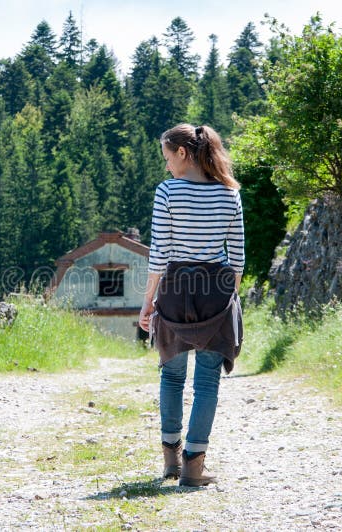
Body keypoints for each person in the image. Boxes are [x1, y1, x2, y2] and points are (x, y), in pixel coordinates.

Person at [138, 123, 244, 487]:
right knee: (207, 381)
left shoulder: (168, 191)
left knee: (171, 374)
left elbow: (159, 253)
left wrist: (148, 302)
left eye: (167, 157)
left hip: (175, 287)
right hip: (216, 289)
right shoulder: (230, 192)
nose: (167, 165)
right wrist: (231, 297)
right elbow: (238, 256)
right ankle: (193, 468)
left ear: (182, 153)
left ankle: (170, 461)